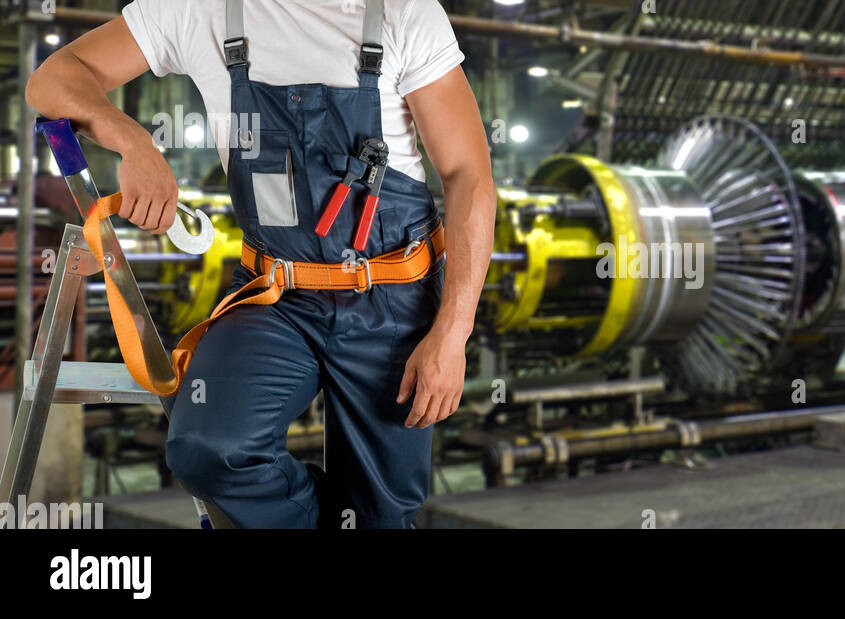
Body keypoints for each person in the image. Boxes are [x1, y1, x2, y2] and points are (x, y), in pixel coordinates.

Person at [25, 0, 496, 529]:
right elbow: (53, 78)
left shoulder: (401, 11)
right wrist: (132, 142)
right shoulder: (197, 9)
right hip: (273, 295)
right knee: (208, 448)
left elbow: (469, 176)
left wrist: (452, 334)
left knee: (378, 515)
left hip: (392, 301)